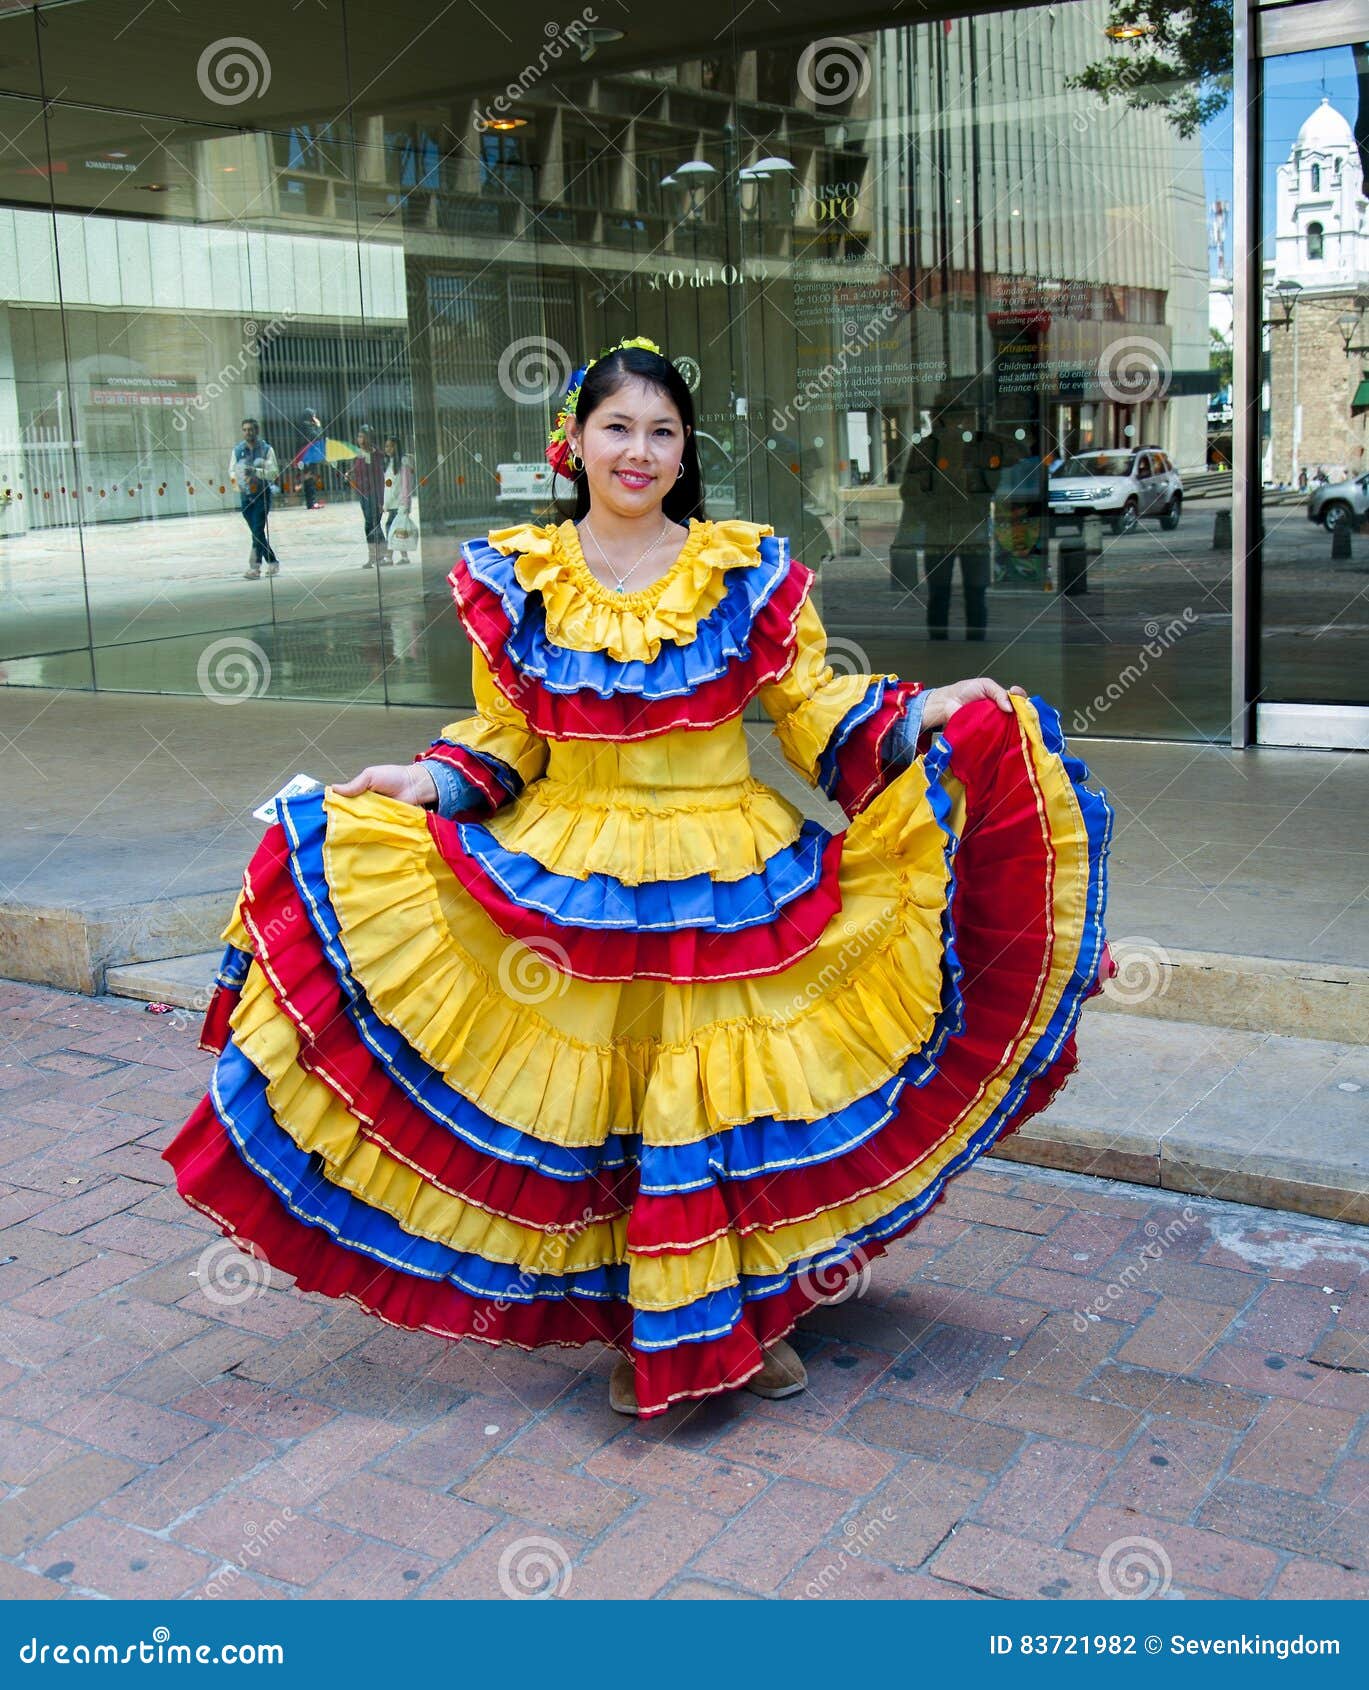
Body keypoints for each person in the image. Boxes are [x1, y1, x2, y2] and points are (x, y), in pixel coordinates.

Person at [164, 337, 1112, 1420]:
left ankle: (735, 1317)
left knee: (725, 1108)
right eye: (618, 427)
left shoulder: (743, 572)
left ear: (683, 451)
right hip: (575, 881)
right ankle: (648, 1324)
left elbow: (819, 720)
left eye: (663, 432)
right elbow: (507, 742)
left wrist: (933, 711)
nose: (639, 451)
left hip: (725, 875)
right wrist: (418, 781)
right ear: (572, 440)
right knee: (604, 1119)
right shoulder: (520, 579)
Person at [895, 388, 1004, 640]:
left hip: (968, 530)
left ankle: (971, 645)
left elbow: (991, 485)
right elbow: (910, 490)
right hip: (942, 532)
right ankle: (944, 644)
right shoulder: (926, 448)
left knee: (972, 593)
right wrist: (932, 510)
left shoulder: (977, 447)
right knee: (941, 594)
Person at [228, 418, 280, 579]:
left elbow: (273, 472)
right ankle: (272, 562)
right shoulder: (237, 451)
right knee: (257, 532)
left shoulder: (266, 450)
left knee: (257, 530)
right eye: (244, 429)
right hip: (246, 496)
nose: (247, 432)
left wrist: (255, 472)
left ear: (256, 431)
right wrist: (238, 482)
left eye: (250, 429)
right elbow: (231, 471)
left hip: (262, 495)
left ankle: (255, 568)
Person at [349, 425, 388, 567]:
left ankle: (381, 556)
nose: (359, 439)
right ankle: (373, 556)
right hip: (363, 494)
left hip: (373, 494)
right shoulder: (360, 454)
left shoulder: (374, 455)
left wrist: (380, 501)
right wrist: (351, 473)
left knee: (374, 525)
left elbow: (379, 478)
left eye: (362, 436)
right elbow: (358, 470)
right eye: (358, 436)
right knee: (368, 525)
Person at [381, 434, 415, 564]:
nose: (387, 449)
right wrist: (385, 503)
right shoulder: (389, 463)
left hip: (400, 503)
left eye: (390, 446)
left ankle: (389, 558)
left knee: (391, 529)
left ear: (397, 447)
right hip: (392, 503)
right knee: (396, 530)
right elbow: (388, 486)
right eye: (386, 446)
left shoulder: (403, 462)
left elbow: (406, 484)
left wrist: (405, 503)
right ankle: (403, 557)